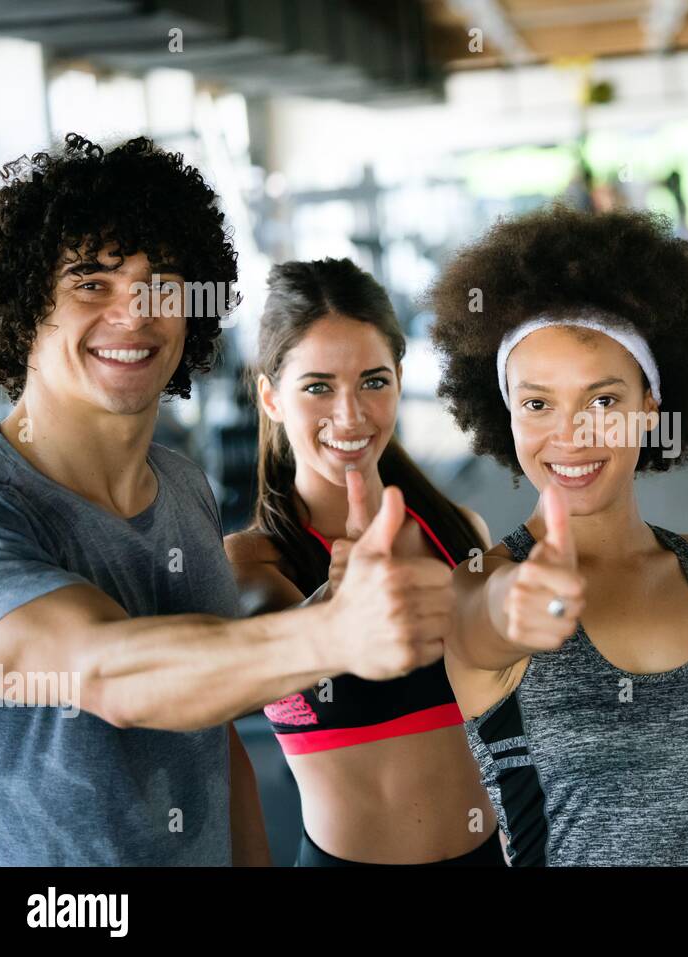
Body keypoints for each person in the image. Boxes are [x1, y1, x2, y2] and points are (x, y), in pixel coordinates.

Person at [0, 135, 445, 865]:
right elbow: (105, 672)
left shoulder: (183, 484)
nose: (134, 313)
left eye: (161, 283)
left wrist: (329, 609)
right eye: (91, 283)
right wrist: (335, 634)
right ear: (24, 305)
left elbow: (216, 733)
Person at [430, 206, 688, 866]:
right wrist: (518, 607)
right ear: (505, 408)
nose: (572, 434)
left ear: (651, 404)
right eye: (537, 403)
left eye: (604, 399)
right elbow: (483, 622)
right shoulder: (484, 584)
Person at [224, 258, 504, 866]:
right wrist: (332, 608)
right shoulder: (253, 562)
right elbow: (240, 675)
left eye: (373, 381)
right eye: (318, 386)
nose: (350, 415)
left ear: (400, 380)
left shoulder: (461, 532)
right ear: (271, 397)